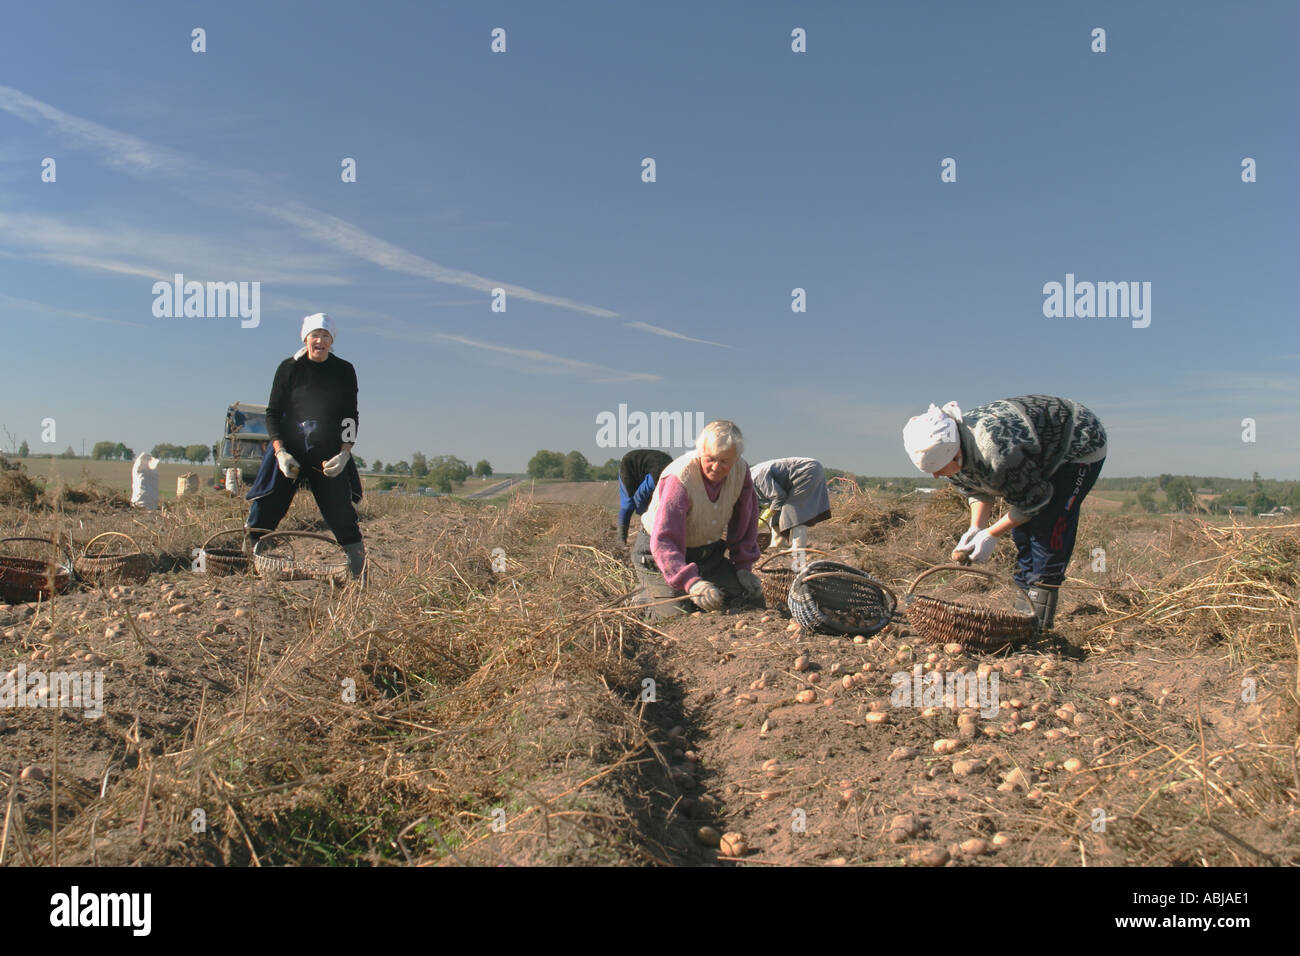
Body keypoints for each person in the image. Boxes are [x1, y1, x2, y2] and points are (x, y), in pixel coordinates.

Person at [902, 395, 1107, 630]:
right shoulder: (947, 449)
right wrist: (976, 528)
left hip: (1078, 441)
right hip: (1033, 451)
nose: (936, 476)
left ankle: (1039, 621)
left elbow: (1035, 500)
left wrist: (992, 534)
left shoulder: (995, 453)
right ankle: (1023, 611)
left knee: (1049, 528)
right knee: (1022, 534)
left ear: (955, 453)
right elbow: (977, 489)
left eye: (938, 470)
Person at [245, 313, 367, 580]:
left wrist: (345, 453)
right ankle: (250, 561)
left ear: (331, 341)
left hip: (328, 448)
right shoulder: (289, 368)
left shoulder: (344, 370)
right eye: (315, 335)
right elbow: (273, 413)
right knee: (268, 503)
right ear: (306, 338)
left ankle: (357, 573)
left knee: (340, 510)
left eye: (325, 336)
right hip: (290, 446)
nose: (320, 341)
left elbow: (350, 415)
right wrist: (280, 452)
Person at [630, 420, 763, 618]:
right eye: (710, 458)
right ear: (700, 451)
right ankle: (643, 601)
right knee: (675, 615)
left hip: (706, 555)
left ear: (736, 458)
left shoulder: (741, 473)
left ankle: (685, 588)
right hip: (658, 555)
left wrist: (744, 567)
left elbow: (745, 521)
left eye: (724, 461)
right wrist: (690, 582)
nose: (716, 467)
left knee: (750, 600)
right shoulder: (681, 478)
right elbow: (664, 540)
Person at [749, 458, 831, 564]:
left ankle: (797, 548)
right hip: (807, 470)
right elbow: (757, 506)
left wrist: (765, 518)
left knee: (793, 509)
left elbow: (778, 496)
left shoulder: (756, 477)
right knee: (781, 509)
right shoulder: (748, 484)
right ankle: (777, 544)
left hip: (807, 470)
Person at [617, 449, 673, 543]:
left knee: (653, 506)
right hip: (630, 466)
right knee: (628, 505)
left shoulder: (675, 480)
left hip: (649, 468)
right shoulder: (656, 478)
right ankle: (620, 541)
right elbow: (638, 497)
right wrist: (645, 516)